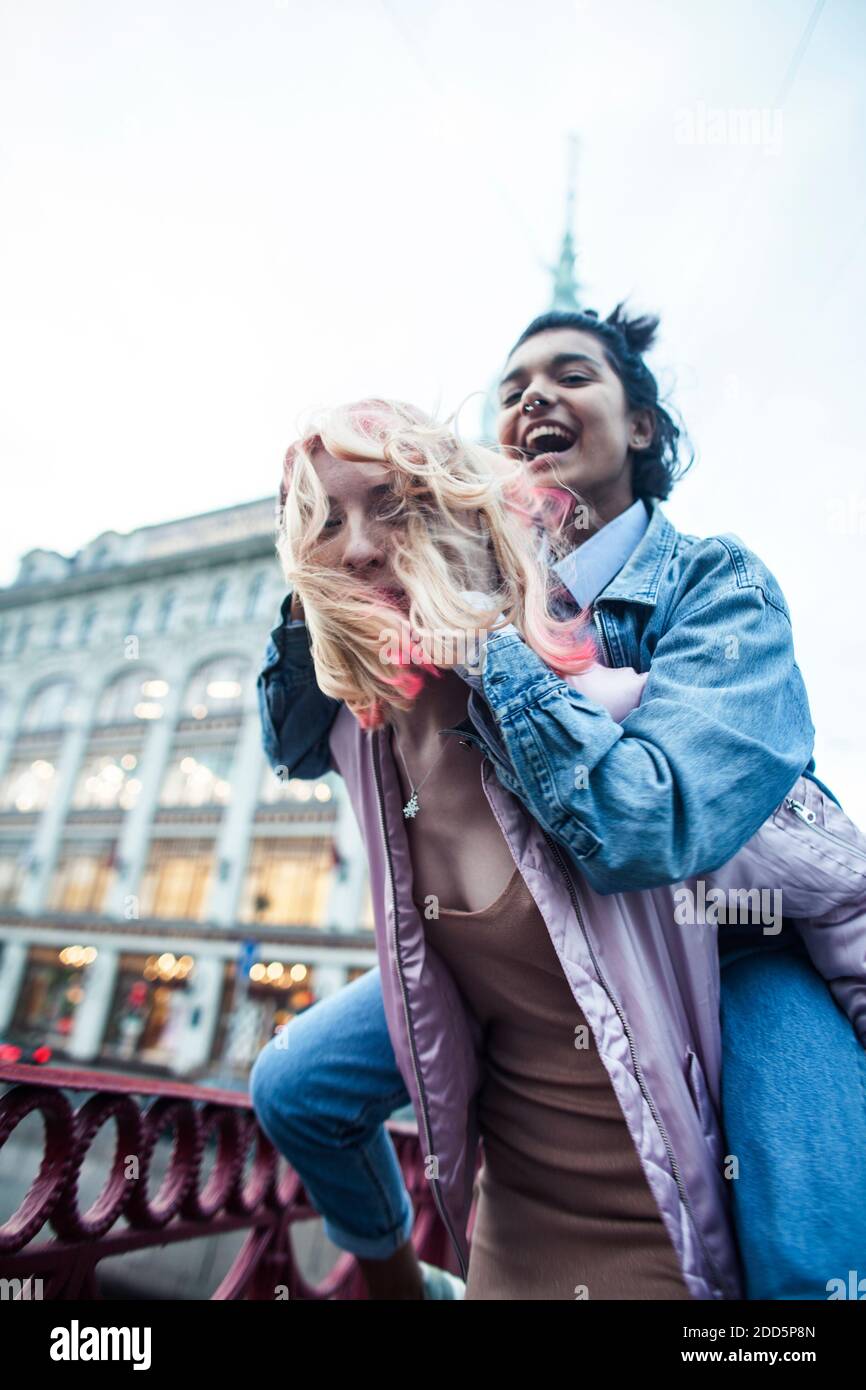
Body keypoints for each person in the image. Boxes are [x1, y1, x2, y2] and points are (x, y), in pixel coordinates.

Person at [251, 380, 866, 1299]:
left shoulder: (612, 704)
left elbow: (827, 882)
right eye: (328, 525)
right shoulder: (360, 729)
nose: (365, 544)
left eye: (390, 505)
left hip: (657, 1235)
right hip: (506, 1235)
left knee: (811, 1260)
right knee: (292, 1083)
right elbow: (289, 721)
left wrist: (487, 650)